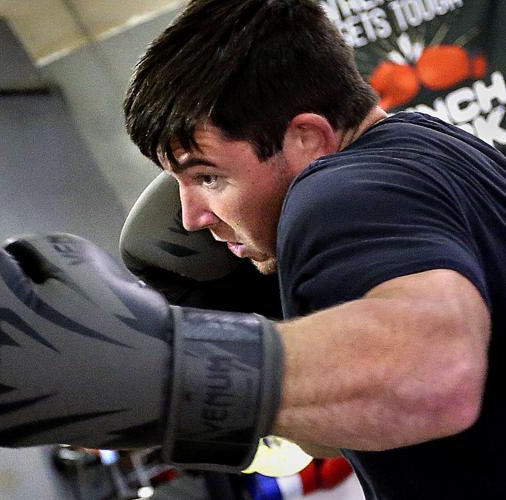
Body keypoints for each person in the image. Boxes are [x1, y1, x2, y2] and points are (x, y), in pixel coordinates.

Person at [119, 0, 504, 498]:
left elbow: (440, 377)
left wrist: (169, 377)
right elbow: (354, 425)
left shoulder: (332, 196)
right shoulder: (435, 145)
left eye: (208, 176)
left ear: (306, 137)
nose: (192, 216)